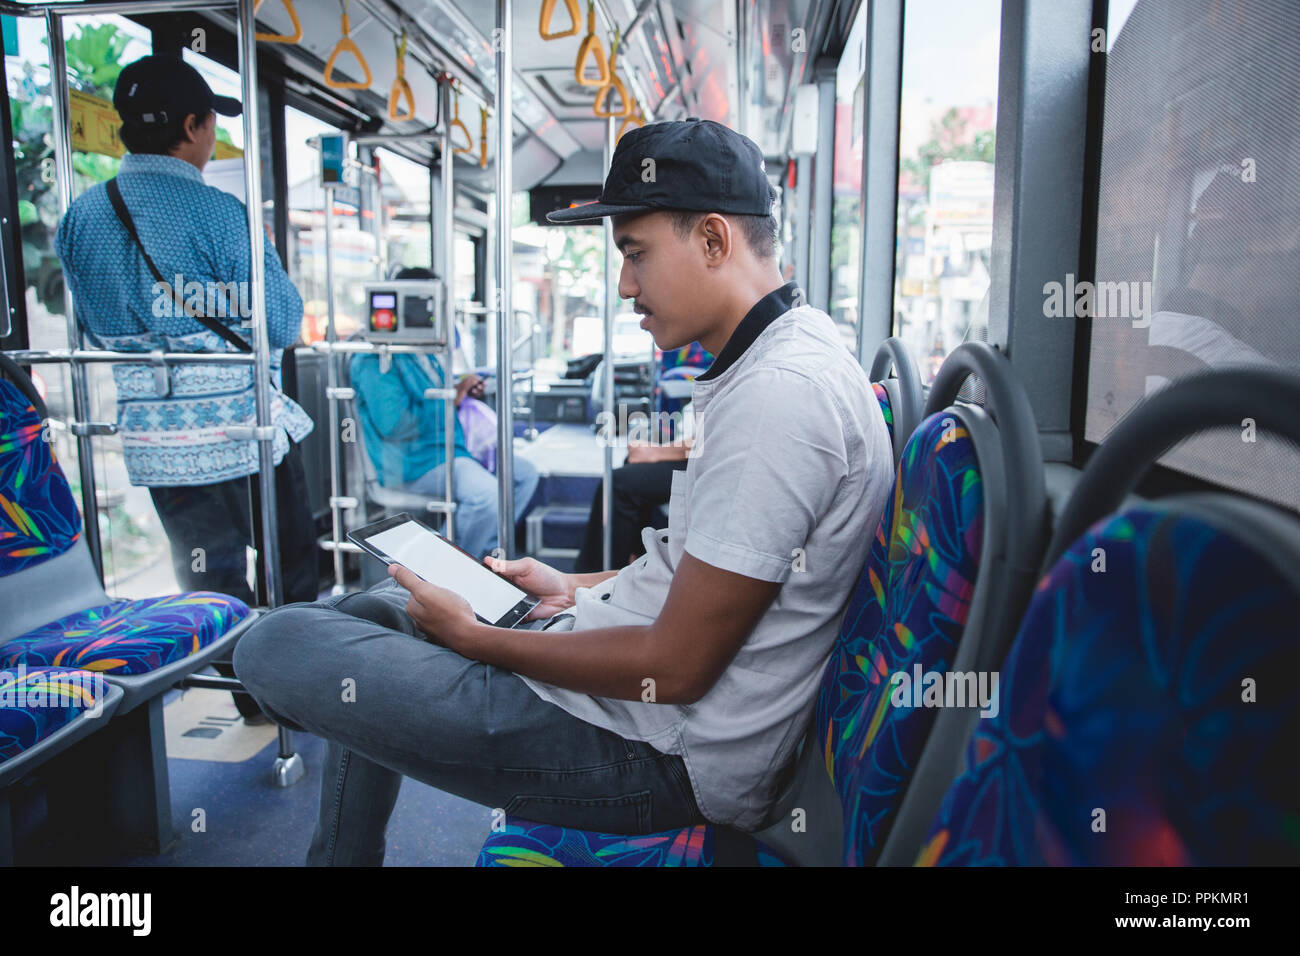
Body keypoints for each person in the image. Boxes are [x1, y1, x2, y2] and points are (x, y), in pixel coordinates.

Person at [234, 118, 894, 863]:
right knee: (367, 610)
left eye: (636, 255)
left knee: (274, 643)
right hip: (651, 715)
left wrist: (486, 641)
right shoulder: (784, 357)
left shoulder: (779, 396)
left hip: (660, 753)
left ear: (714, 240)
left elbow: (675, 666)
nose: (624, 285)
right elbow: (707, 571)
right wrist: (572, 588)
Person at [54, 55, 317, 722]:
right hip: (239, 426)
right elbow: (281, 323)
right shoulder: (220, 212)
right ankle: (300, 690)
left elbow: (90, 323)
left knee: (210, 572)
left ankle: (247, 700)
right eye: (209, 126)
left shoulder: (81, 217)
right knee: (287, 562)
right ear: (194, 125)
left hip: (156, 435)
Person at [348, 267, 539, 560]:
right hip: (413, 462)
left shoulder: (423, 352)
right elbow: (394, 424)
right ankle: (457, 571)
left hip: (448, 449)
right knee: (486, 495)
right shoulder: (377, 358)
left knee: (524, 475)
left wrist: (459, 389)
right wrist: (452, 398)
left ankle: (482, 553)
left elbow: (431, 394)